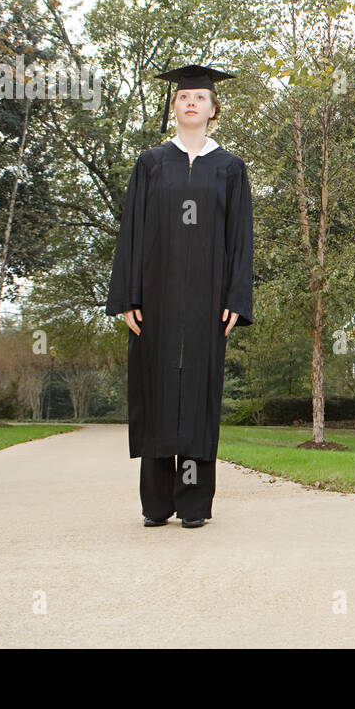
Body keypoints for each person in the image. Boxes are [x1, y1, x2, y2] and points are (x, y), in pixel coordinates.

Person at [105, 64, 254, 527]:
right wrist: (128, 296)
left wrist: (236, 297)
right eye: (184, 96)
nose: (192, 102)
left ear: (213, 109)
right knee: (156, 388)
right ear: (174, 107)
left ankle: (193, 504)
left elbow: (240, 238)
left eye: (201, 97)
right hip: (156, 297)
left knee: (198, 394)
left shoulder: (229, 168)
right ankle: (155, 504)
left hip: (209, 299)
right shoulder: (151, 164)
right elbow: (131, 232)